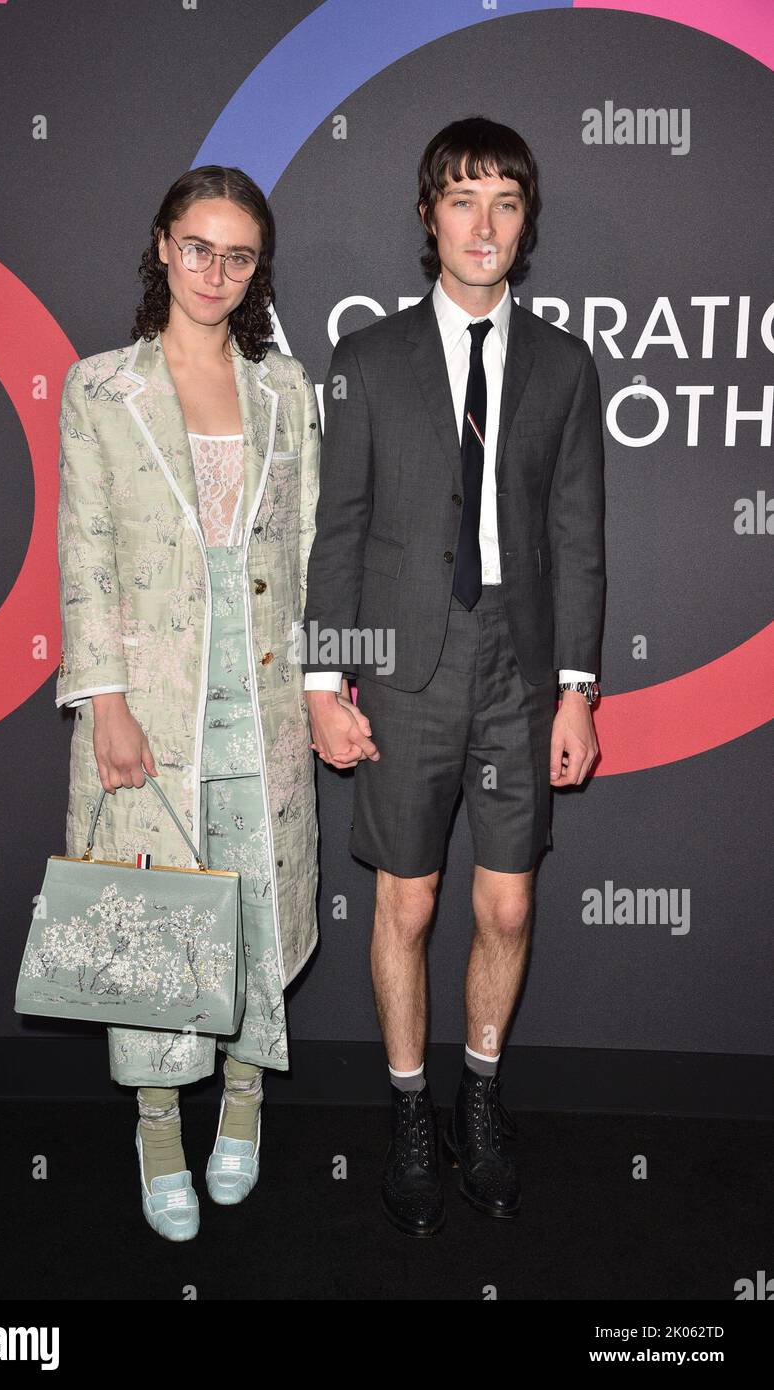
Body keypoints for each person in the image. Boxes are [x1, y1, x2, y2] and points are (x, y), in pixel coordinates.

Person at [302, 116, 605, 1236]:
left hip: (520, 675)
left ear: (525, 226)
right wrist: (324, 681)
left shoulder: (564, 363)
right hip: (402, 671)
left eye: (506, 202)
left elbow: (575, 536)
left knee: (507, 900)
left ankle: (478, 1091)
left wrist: (577, 684)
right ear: (428, 215)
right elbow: (338, 533)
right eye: (463, 198)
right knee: (408, 899)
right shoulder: (368, 358)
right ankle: (408, 1109)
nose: (484, 223)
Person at [55, 166, 321, 1241]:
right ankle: (158, 1124)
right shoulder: (99, 387)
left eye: (239, 254)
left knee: (255, 905)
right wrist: (104, 700)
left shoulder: (286, 389)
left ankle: (245, 1108)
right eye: (197, 246)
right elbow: (88, 554)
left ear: (259, 269)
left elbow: (306, 553)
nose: (214, 271)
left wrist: (320, 690)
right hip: (149, 700)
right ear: (162, 246)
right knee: (157, 920)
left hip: (261, 701)